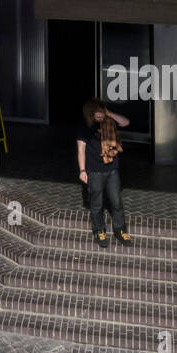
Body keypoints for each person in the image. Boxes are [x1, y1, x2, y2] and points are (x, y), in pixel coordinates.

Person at [76, 98, 133, 248]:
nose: (100, 116)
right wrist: (82, 170)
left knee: (116, 201)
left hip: (112, 170)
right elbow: (81, 150)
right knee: (96, 204)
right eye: (97, 113)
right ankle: (99, 230)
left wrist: (110, 114)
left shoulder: (109, 122)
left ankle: (120, 230)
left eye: (102, 112)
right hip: (94, 171)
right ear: (90, 113)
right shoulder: (85, 127)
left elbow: (125, 122)